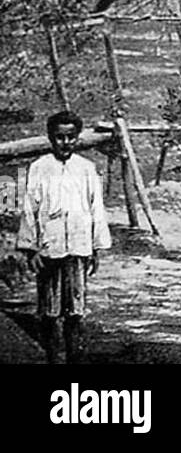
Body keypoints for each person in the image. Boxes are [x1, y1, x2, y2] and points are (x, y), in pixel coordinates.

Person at [17, 110, 112, 364]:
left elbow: (96, 209)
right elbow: (30, 209)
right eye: (60, 137)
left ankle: (74, 359)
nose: (65, 143)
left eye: (71, 137)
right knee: (49, 310)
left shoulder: (86, 169)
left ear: (77, 138)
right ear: (51, 138)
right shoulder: (39, 168)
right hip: (50, 248)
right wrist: (31, 248)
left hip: (79, 248)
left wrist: (96, 247)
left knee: (76, 310)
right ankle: (52, 357)